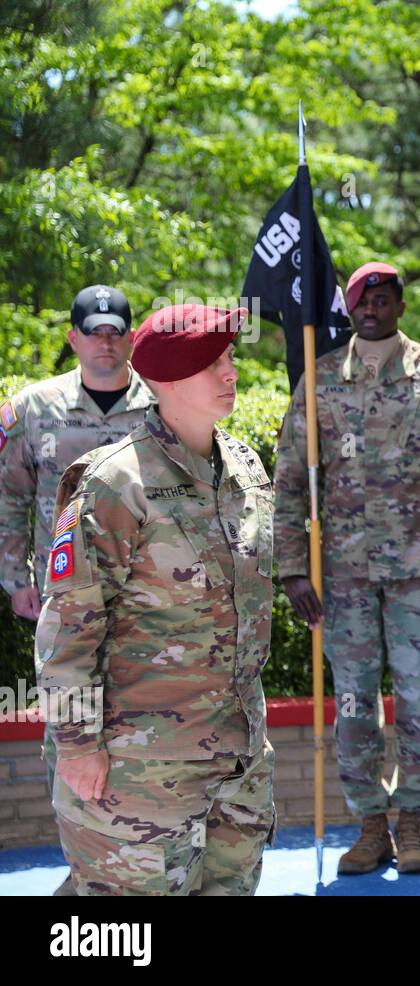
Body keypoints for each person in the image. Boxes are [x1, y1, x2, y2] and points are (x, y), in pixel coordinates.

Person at [36, 303, 276, 895]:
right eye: (212, 363)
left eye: (230, 358)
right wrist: (76, 747)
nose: (231, 373)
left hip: (236, 767)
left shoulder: (245, 467)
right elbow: (69, 630)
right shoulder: (114, 484)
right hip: (137, 774)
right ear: (166, 380)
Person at [274, 261, 420, 875]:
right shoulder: (319, 380)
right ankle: (370, 824)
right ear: (349, 309)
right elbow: (290, 479)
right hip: (340, 573)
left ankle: (414, 820)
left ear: (400, 305)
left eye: (384, 299)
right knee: (353, 703)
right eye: (362, 302)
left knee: (417, 698)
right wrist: (293, 567)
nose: (372, 310)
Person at [0, 283, 152, 895]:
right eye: (95, 331)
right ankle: (85, 868)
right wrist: (16, 579)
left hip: (146, 605)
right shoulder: (34, 408)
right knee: (70, 729)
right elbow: (8, 497)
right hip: (64, 604)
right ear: (73, 338)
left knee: (141, 729)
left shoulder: (161, 405)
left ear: (131, 337)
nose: (106, 341)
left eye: (116, 330)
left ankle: (134, 862)